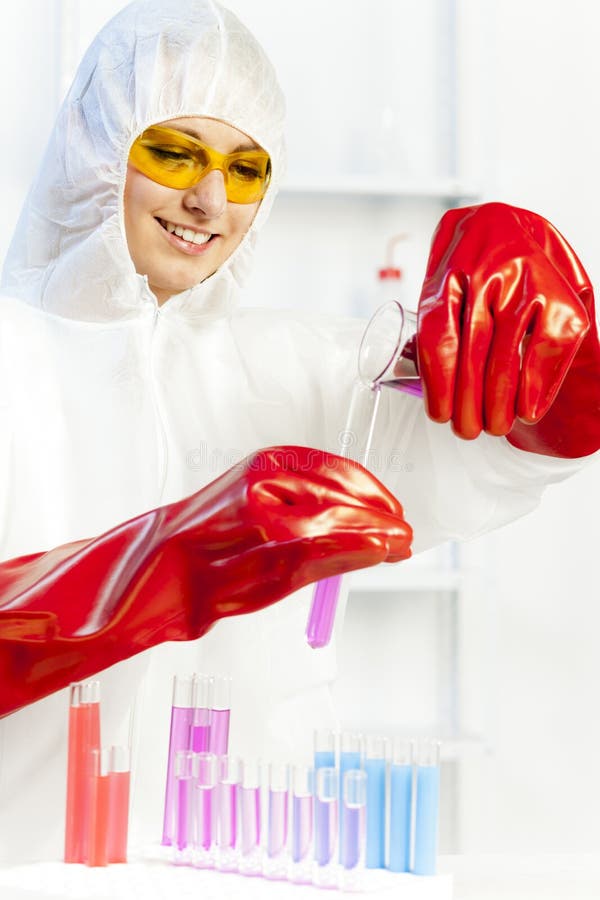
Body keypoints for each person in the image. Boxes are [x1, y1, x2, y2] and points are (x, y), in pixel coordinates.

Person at [0, 0, 598, 864]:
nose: (209, 201)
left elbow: (513, 441)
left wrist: (558, 337)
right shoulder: (13, 362)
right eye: (174, 153)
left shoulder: (294, 368)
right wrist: (166, 564)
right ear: (98, 150)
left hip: (255, 872)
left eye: (245, 170)